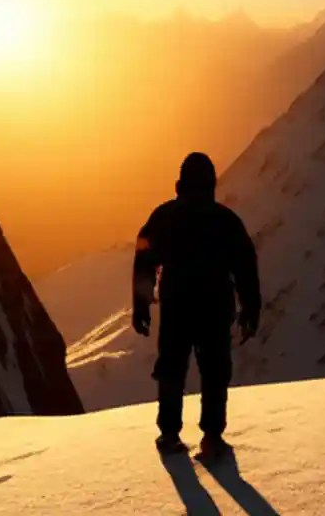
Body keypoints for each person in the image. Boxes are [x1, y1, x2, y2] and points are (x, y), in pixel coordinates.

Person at [132, 152, 260, 458]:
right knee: (214, 370)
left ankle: (170, 434)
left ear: (179, 185)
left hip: (178, 307)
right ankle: (212, 435)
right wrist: (250, 309)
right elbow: (245, 267)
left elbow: (143, 258)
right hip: (215, 309)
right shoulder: (225, 221)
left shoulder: (164, 217)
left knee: (173, 368)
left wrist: (141, 305)